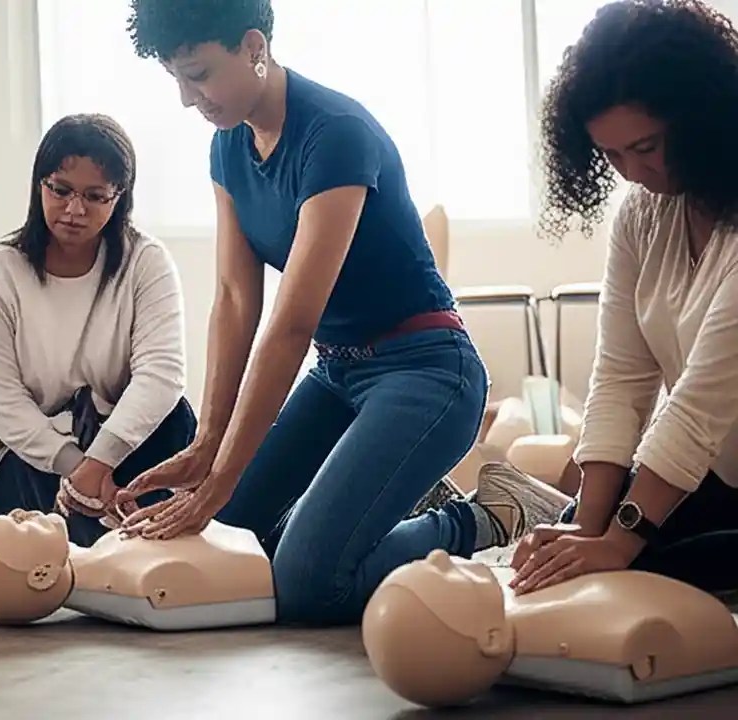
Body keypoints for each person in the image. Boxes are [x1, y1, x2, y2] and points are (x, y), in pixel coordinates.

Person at [114, 0, 565, 626]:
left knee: (305, 583)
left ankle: (484, 515)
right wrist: (207, 445)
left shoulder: (335, 132)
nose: (190, 99)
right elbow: (235, 299)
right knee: (231, 540)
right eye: (176, 79)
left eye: (199, 74)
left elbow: (293, 322)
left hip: (427, 371)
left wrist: (220, 477)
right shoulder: (227, 148)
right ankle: (389, 502)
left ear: (252, 46)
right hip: (338, 376)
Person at [510, 0, 738, 597]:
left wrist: (619, 540)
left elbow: (700, 401)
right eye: (611, 156)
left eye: (647, 146)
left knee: (640, 563)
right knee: (570, 547)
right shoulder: (641, 214)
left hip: (710, 457)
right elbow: (619, 378)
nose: (634, 172)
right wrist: (586, 530)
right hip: (713, 474)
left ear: (699, 116)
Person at [0, 113, 197, 547]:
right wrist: (78, 468)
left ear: (119, 198)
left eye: (95, 196)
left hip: (125, 443)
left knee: (173, 418)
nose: (74, 210)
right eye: (61, 190)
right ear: (40, 185)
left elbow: (162, 375)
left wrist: (100, 462)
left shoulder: (145, 261)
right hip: (37, 449)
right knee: (43, 553)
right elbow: (5, 401)